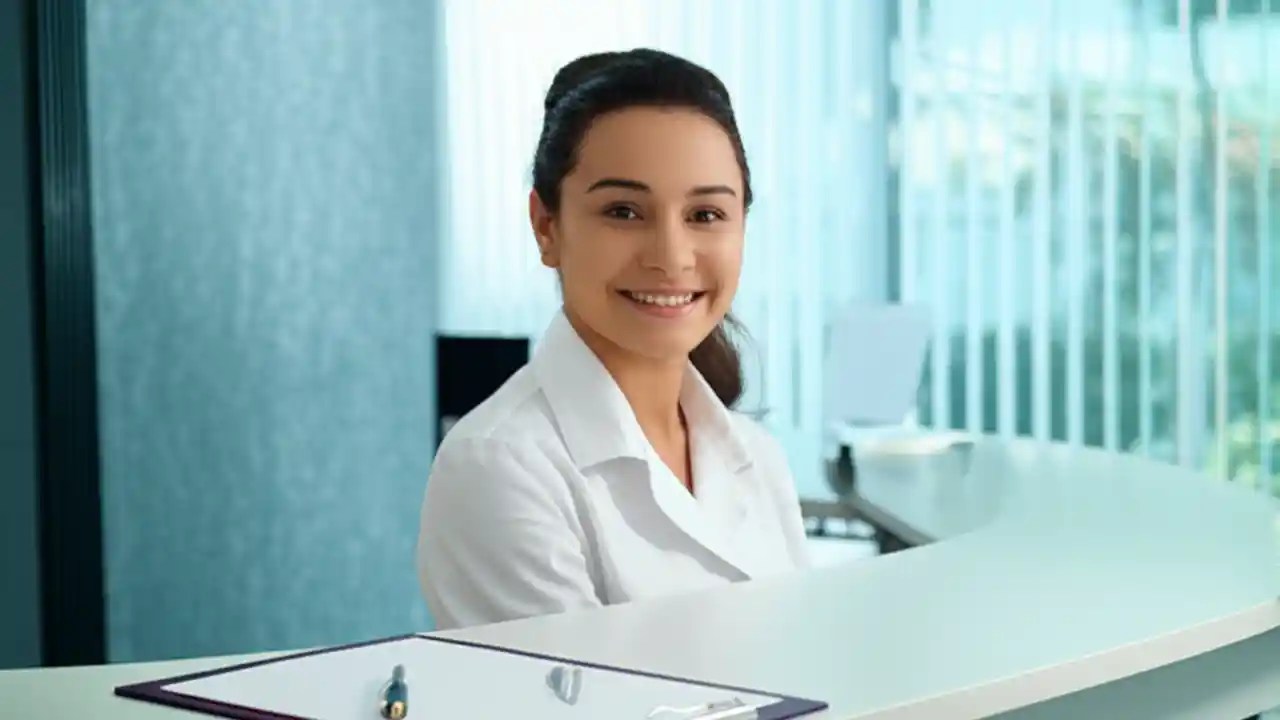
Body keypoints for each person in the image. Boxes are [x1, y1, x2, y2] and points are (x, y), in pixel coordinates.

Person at [417, 48, 810, 630]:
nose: (671, 258)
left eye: (705, 215)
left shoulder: (757, 456)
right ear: (547, 227)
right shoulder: (499, 468)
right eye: (624, 211)